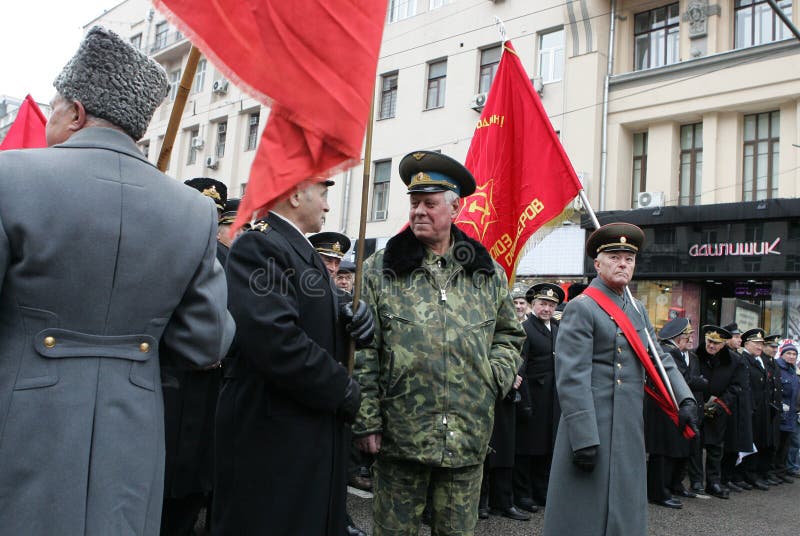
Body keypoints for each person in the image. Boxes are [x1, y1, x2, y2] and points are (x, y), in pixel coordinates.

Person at [0, 26, 235, 535]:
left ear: (78, 113)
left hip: (19, 437)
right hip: (132, 446)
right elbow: (206, 342)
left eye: (57, 109)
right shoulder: (193, 211)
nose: (50, 122)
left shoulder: (8, 178)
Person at [352, 150, 524, 536]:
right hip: (400, 439)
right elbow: (363, 351)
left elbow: (510, 335)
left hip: (467, 436)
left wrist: (492, 378)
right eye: (414, 203)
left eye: (430, 204)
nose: (419, 212)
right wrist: (366, 422)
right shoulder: (381, 270)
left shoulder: (486, 272)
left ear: (455, 209)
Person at [213, 178, 374, 535]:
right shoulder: (259, 245)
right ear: (297, 194)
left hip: (303, 435)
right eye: (324, 194)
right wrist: (342, 389)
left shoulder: (294, 249)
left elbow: (311, 308)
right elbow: (275, 339)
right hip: (273, 441)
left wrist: (352, 313)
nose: (329, 206)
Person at [543, 223, 696, 536]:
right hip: (591, 428)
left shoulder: (637, 308)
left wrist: (685, 398)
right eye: (614, 257)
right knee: (584, 517)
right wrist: (584, 438)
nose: (622, 263)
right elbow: (572, 378)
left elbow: (658, 357)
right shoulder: (581, 307)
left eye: (628, 258)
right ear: (597, 264)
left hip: (627, 427)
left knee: (624, 513)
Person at [160, 177, 230, 535]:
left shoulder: (230, 260)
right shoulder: (157, 247)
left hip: (207, 394)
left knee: (192, 489)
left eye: (215, 215)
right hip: (164, 386)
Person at [645, 318, 706, 508]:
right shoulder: (668, 353)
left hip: (672, 409)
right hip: (663, 409)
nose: (689, 341)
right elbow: (681, 379)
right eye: (686, 338)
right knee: (663, 453)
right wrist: (701, 382)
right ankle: (659, 492)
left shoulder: (676, 353)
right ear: (678, 339)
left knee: (675, 450)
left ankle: (672, 485)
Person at [513, 283, 564, 512]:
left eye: (551, 305)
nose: (547, 308)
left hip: (552, 398)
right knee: (527, 448)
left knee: (546, 447)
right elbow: (520, 367)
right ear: (533, 304)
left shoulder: (557, 326)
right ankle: (523, 494)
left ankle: (541, 491)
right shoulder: (525, 328)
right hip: (532, 396)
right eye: (543, 303)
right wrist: (523, 401)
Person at [697, 325, 746, 499]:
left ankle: (713, 482)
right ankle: (695, 481)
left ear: (724, 344)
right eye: (710, 341)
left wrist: (720, 403)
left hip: (719, 408)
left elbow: (737, 386)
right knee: (694, 445)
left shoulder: (734, 360)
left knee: (715, 448)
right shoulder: (696, 355)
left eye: (716, 343)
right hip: (696, 406)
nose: (712, 346)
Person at [774, 343, 799, 482]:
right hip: (780, 413)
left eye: (794, 354)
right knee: (776, 445)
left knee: (785, 446)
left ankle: (781, 472)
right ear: (782, 354)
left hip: (791, 415)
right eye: (789, 353)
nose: (792, 356)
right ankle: (773, 472)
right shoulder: (778, 368)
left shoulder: (792, 371)